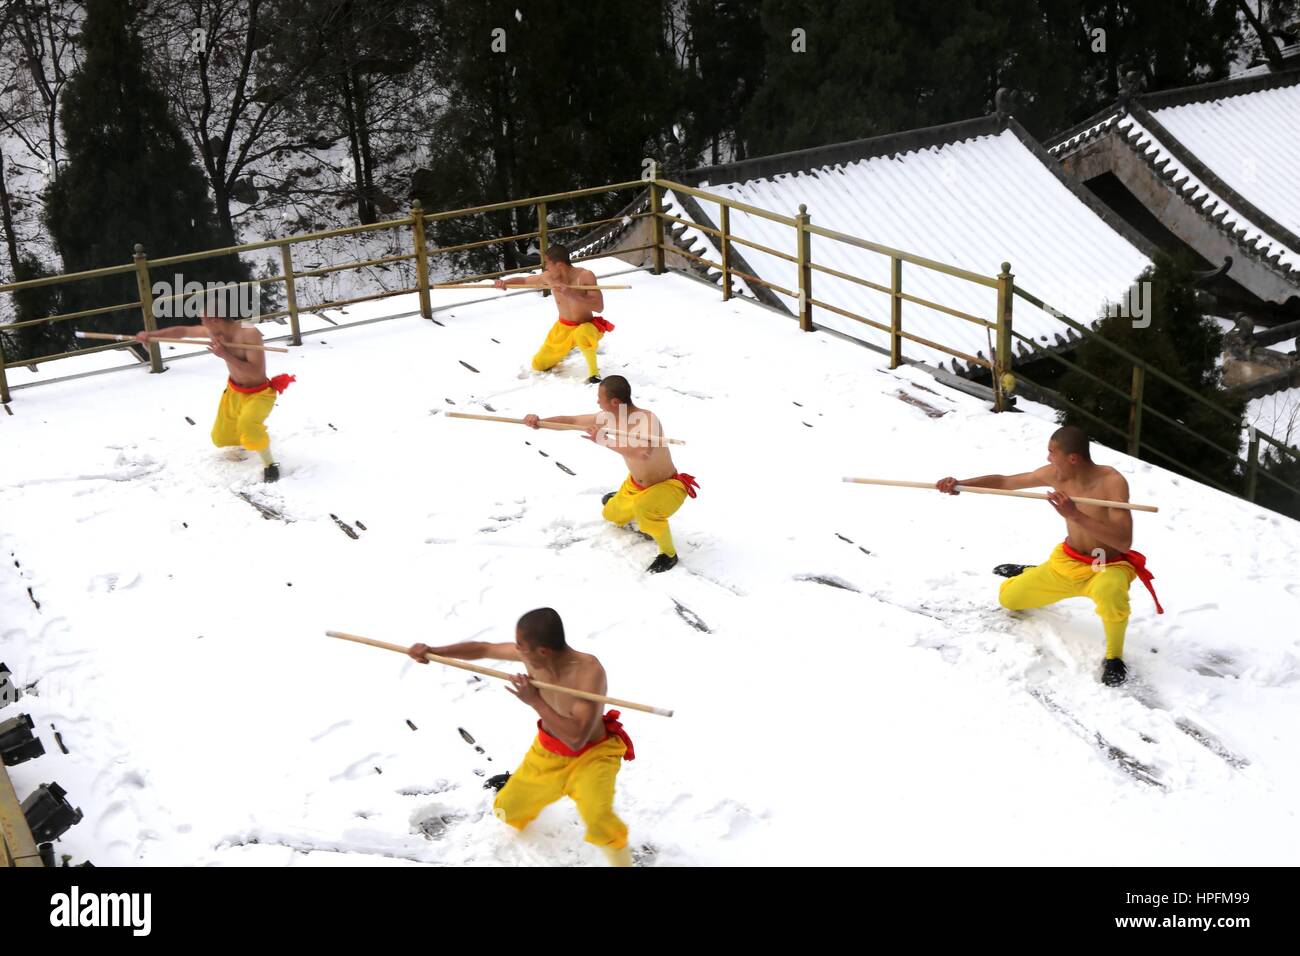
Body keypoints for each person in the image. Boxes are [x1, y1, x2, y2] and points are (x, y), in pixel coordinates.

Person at [935, 425, 1162, 686]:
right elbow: (1005, 482)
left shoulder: (1112, 482)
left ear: (1073, 458)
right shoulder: (1056, 475)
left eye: (1052, 453)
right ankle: (1032, 572)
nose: (1048, 459)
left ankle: (1114, 658)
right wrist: (961, 485)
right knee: (1009, 598)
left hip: (1105, 564)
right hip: (1069, 561)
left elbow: (1123, 541)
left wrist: (1075, 514)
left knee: (1111, 593)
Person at [407, 608, 635, 867]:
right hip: (548, 752)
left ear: (543, 651)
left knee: (598, 817)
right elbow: (483, 649)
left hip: (592, 755)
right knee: (507, 811)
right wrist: (433, 651)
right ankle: (515, 787)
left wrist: (535, 701)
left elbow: (577, 739)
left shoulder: (588, 673)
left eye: (521, 647)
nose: (516, 650)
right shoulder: (532, 656)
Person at [525, 375, 697, 573]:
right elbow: (571, 421)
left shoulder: (648, 419)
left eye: (600, 397)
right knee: (611, 516)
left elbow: (642, 453)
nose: (597, 401)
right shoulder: (609, 417)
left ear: (615, 402)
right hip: (635, 485)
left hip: (666, 486)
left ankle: (668, 554)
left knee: (645, 510)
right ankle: (620, 500)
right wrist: (539, 422)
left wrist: (603, 440)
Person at [136, 310, 293, 482]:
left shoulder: (249, 333)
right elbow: (183, 332)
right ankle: (249, 438)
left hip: (259, 393)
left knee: (248, 424)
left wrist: (224, 354)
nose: (202, 324)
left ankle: (270, 464)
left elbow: (255, 371)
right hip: (234, 391)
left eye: (204, 320)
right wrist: (152, 335)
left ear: (215, 319)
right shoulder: (214, 331)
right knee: (220, 437)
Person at [494, 243, 613, 384]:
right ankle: (570, 348)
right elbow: (525, 281)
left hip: (587, 326)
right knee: (538, 364)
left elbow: (599, 307)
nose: (545, 267)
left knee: (582, 333)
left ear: (559, 265)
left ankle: (594, 374)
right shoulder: (548, 277)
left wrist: (572, 294)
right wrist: (505, 283)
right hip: (563, 328)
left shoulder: (585, 276)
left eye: (548, 264)